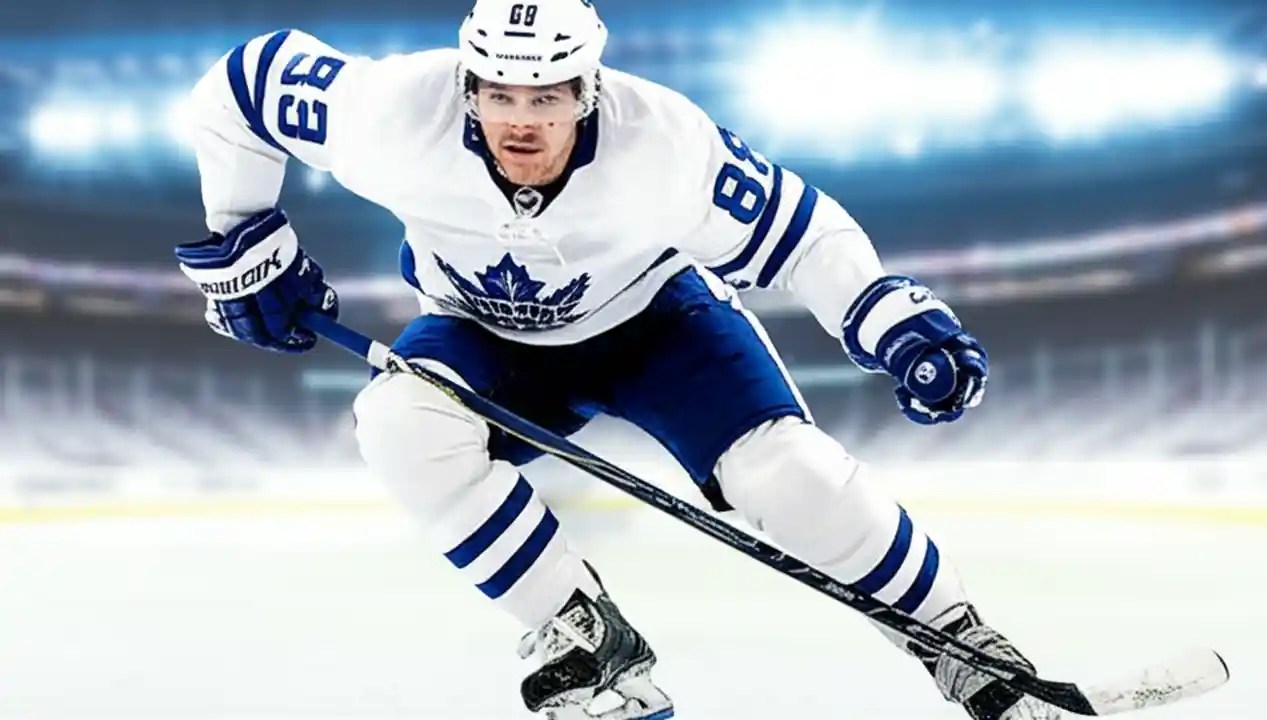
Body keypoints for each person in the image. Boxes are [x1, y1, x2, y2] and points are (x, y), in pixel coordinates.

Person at [175, 2, 1057, 718]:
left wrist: (881, 315)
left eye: (547, 96)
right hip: (482, 335)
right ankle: (584, 635)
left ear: (588, 89)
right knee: (395, 422)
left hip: (657, 328)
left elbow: (802, 231)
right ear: (467, 81)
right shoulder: (394, 114)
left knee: (789, 477)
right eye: (499, 93)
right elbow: (244, 87)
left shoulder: (664, 144)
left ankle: (964, 648)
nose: (521, 119)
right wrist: (244, 235)